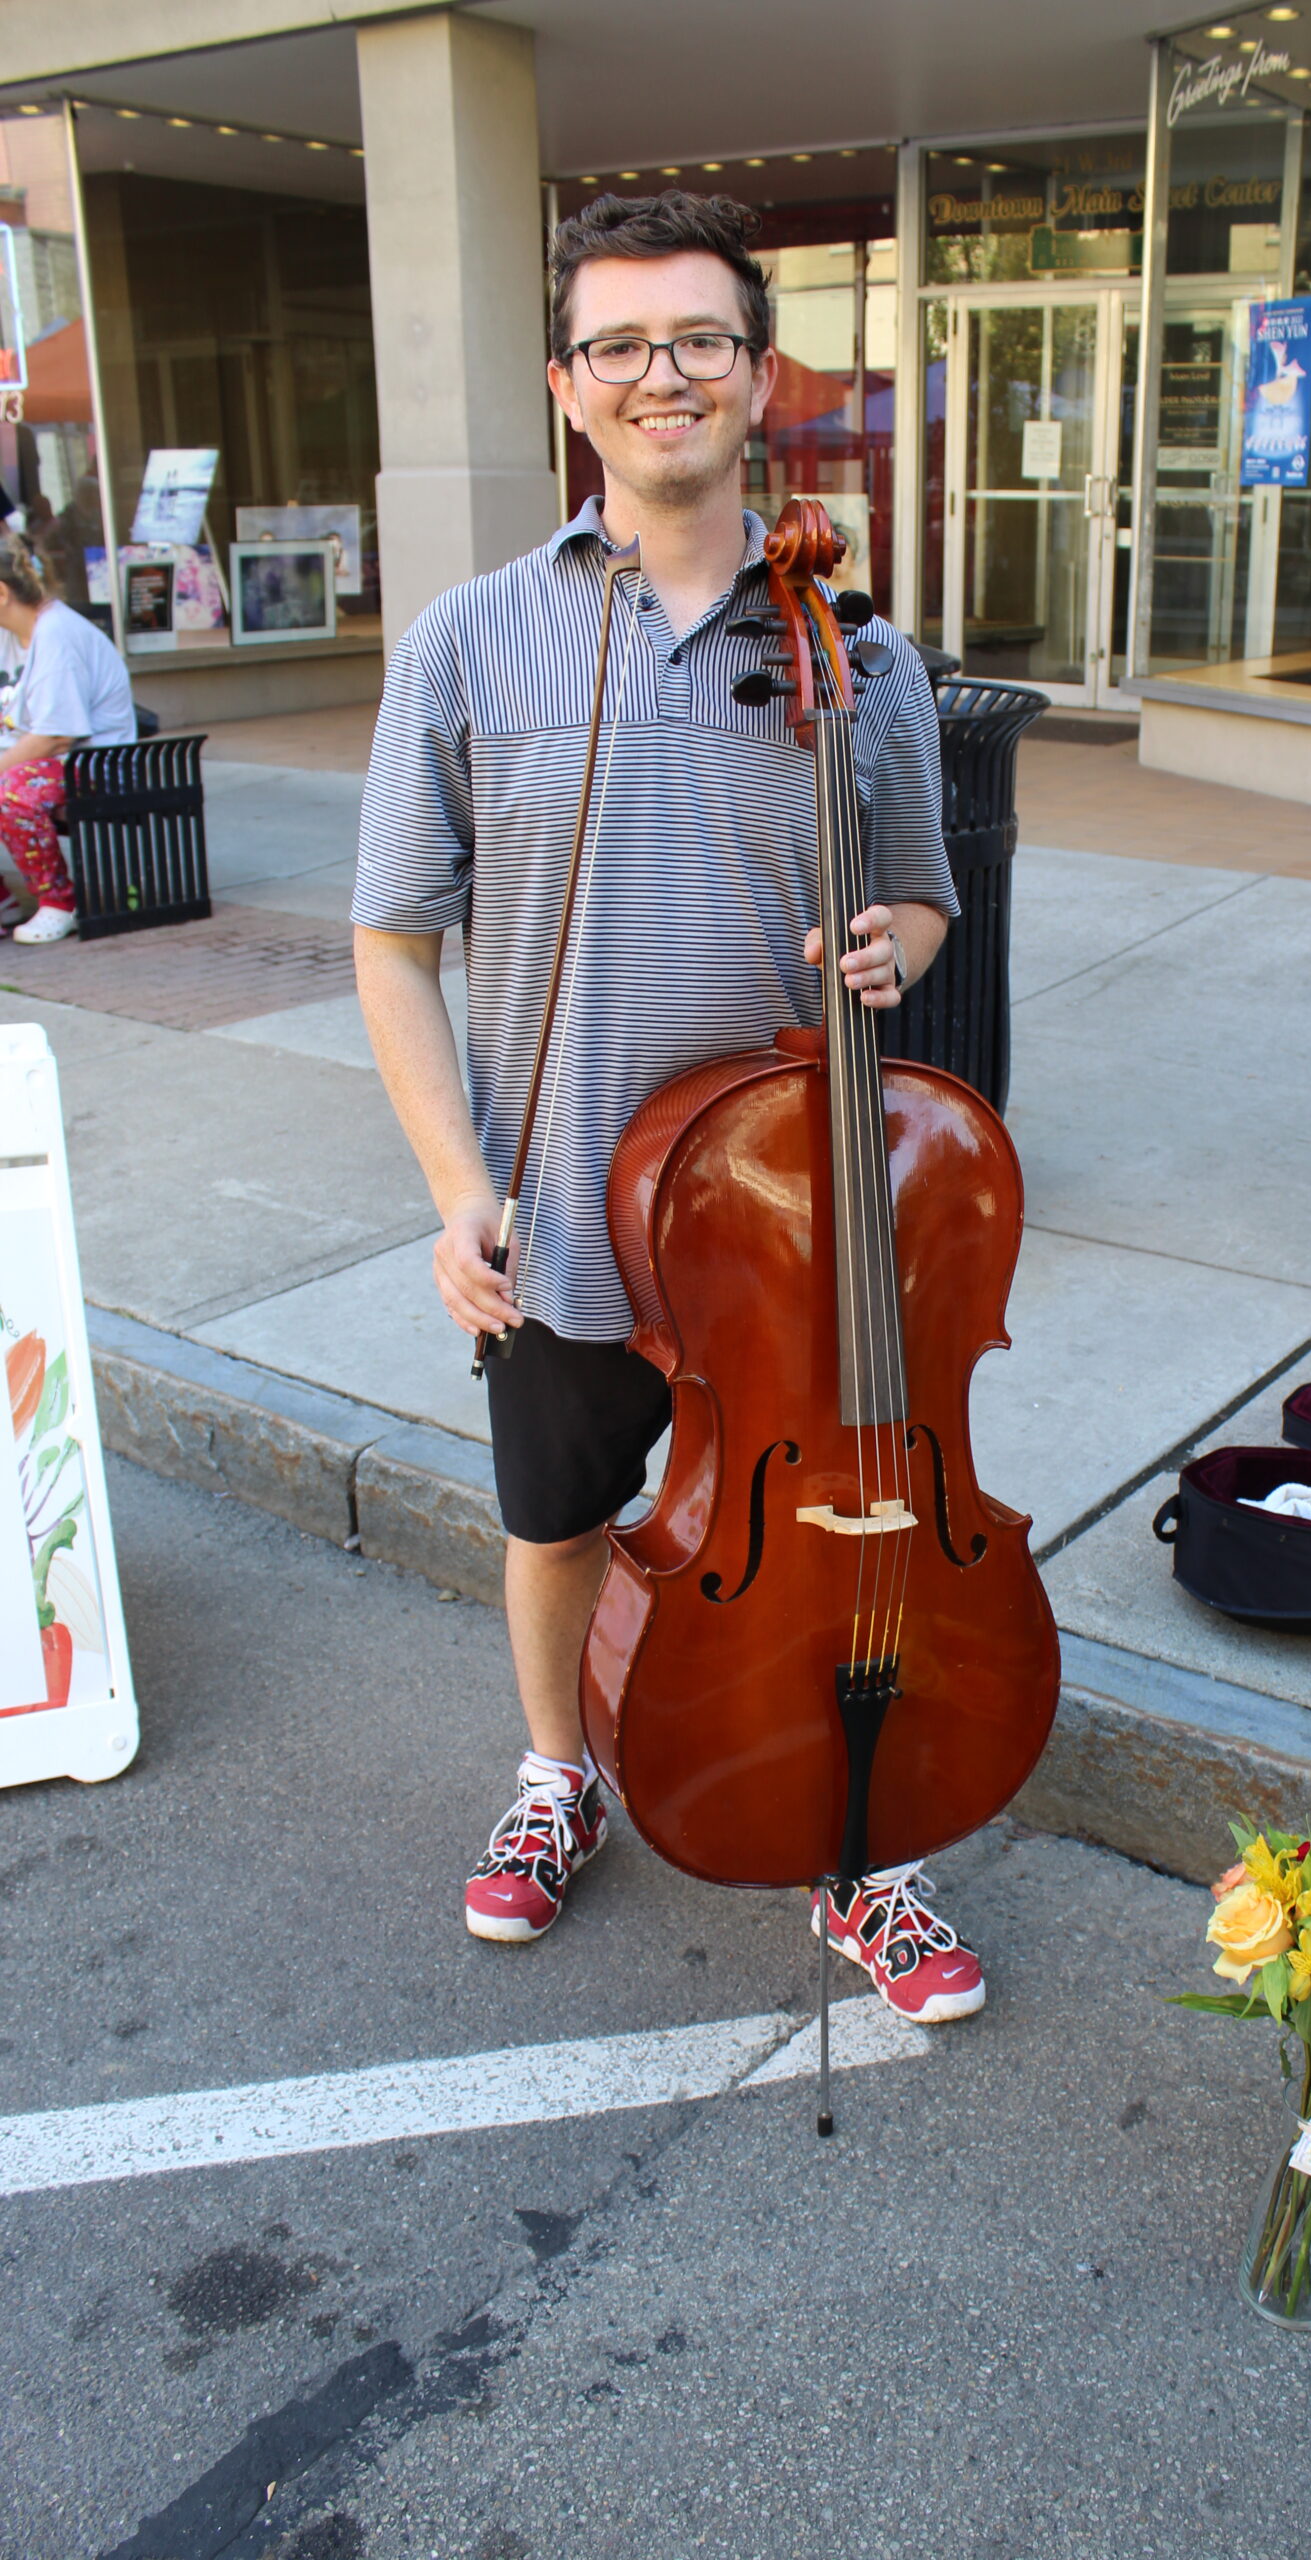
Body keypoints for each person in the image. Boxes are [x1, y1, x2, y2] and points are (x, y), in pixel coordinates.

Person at [352, 192, 986, 2024]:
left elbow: (929, 896)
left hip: (793, 1223)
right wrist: (453, 1182)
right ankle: (563, 1775)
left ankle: (854, 1842)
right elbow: (392, 942)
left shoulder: (856, 657)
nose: (663, 375)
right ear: (569, 386)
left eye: (698, 339)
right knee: (558, 1526)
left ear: (756, 373)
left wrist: (895, 940)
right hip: (561, 1206)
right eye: (620, 345)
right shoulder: (469, 642)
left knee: (826, 1528)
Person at [0, 536, 135, 944]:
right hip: (37, 762)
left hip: (92, 767)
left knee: (11, 792)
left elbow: (54, 737)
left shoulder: (57, 634)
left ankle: (59, 903)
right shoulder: (8, 636)